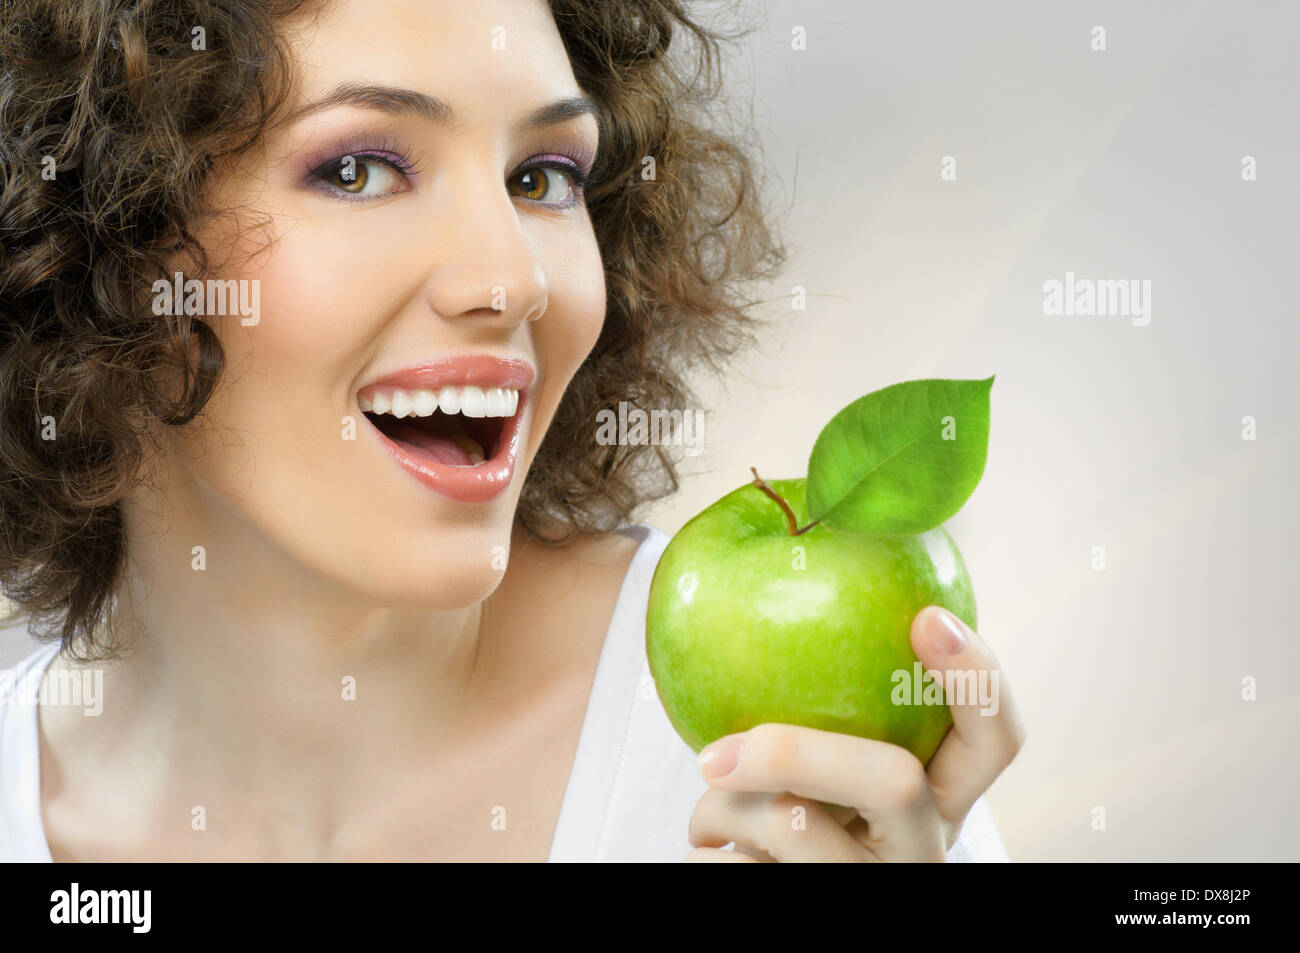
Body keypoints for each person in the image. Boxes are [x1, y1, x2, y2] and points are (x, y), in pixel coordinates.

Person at [0, 0, 1024, 861]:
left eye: (541, 178)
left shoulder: (780, 765)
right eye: (358, 170)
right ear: (103, 243)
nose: (513, 278)